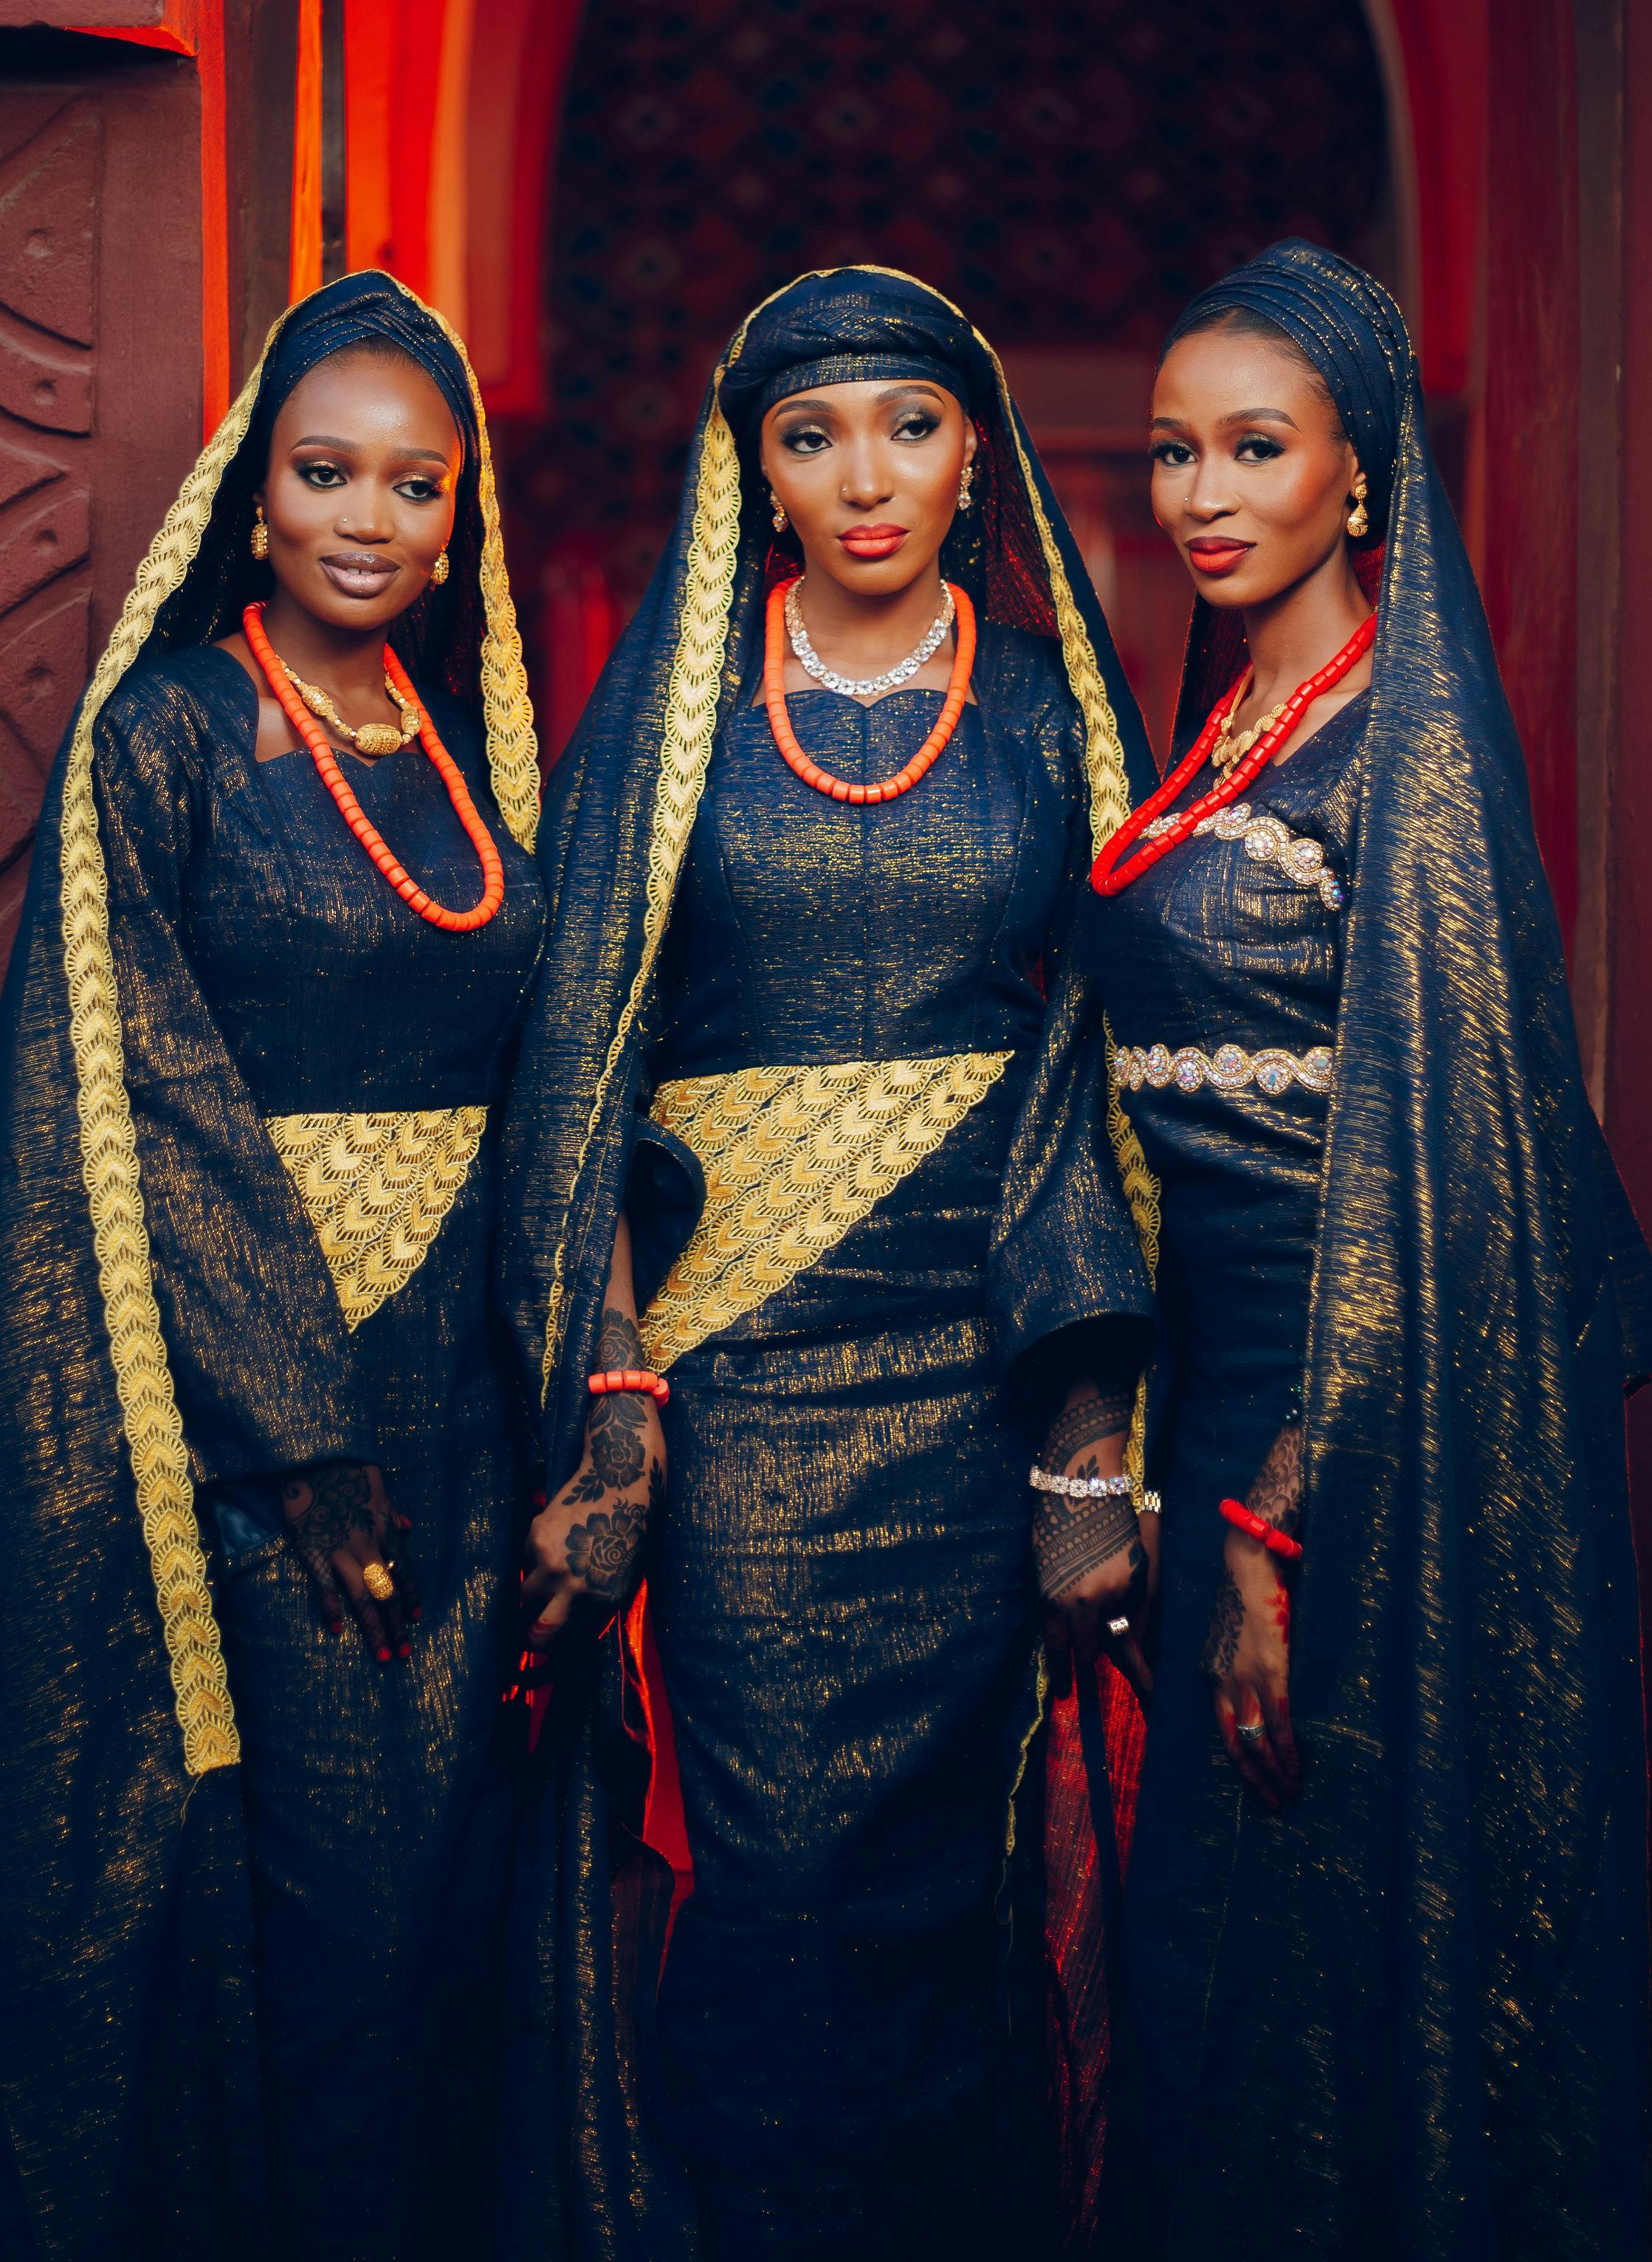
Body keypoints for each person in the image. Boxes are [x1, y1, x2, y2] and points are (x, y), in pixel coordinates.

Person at [0, 271, 545, 2262]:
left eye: (411, 485)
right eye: (323, 473)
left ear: (457, 520)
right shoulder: (173, 730)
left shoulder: (459, 744)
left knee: (438, 1917)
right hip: (266, 1433)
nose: (366, 516)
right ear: (251, 501)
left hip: (460, 1403)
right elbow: (145, 1073)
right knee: (323, 1914)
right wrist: (299, 1432)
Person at [499, 265, 1158, 2260]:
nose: (864, 478)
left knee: (950, 1889)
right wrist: (616, 1410)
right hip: (743, 1406)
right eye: (812, 437)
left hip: (980, 1395)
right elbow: (580, 1064)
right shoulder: (675, 722)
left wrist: (1084, 1433)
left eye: (910, 426)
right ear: (757, 476)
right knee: (768, 1885)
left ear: (979, 458)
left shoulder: (1054, 712)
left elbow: (1104, 1069)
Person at [1083, 240, 1651, 2257]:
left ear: (1360, 474)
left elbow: (1446, 1177)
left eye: (1254, 449)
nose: (1204, 496)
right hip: (1212, 1390)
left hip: (1350, 1443)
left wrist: (1276, 1517)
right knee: (1230, 1947)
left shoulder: (1401, 750)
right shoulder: (1233, 718)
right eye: (1172, 453)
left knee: (1319, 1920)